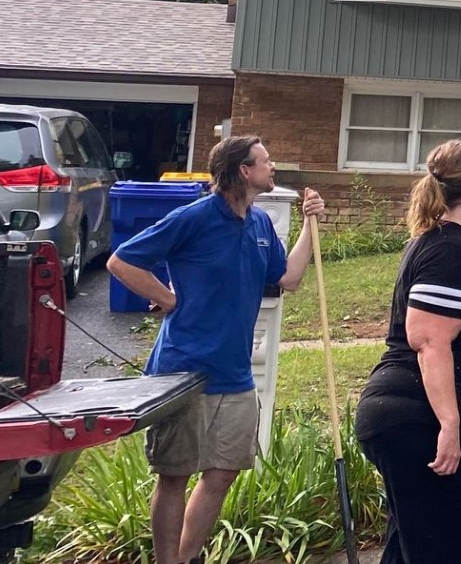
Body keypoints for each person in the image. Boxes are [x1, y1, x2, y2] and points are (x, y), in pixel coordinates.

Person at [106, 135, 326, 564]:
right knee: (174, 475)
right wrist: (168, 298)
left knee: (223, 472)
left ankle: (186, 557)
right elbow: (122, 261)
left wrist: (309, 226)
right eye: (265, 161)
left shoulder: (260, 223)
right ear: (244, 171)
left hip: (235, 373)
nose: (273, 166)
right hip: (184, 369)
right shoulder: (194, 217)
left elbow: (290, 278)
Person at [355, 140, 461, 564]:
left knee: (410, 548)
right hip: (422, 422)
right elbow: (429, 340)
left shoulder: (444, 244)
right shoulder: (449, 250)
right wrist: (450, 425)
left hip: (416, 419)